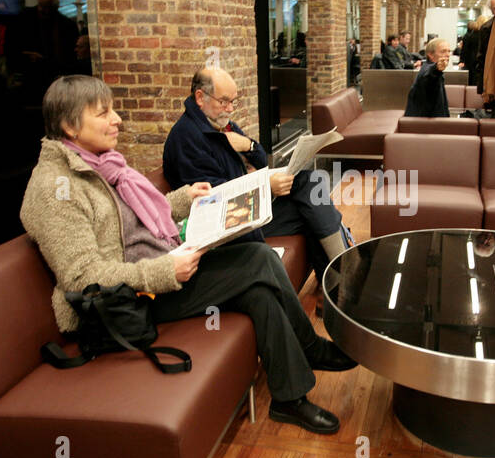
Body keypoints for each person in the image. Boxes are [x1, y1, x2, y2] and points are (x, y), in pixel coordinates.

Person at [20, 74, 352, 435]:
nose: (117, 119)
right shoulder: (55, 190)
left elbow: (131, 222)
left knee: (258, 287)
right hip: (123, 304)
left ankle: (289, 400)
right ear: (69, 125)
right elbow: (82, 277)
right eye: (104, 113)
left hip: (150, 272)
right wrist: (164, 270)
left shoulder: (101, 165)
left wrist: (183, 198)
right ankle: (311, 348)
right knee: (258, 259)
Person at [163, 67, 349, 287]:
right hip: (227, 224)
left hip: (248, 205)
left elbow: (262, 160)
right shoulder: (187, 138)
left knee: (312, 184)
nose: (230, 109)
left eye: (233, 101)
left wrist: (248, 145)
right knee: (309, 201)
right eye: (224, 102)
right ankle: (342, 277)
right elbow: (213, 199)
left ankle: (337, 279)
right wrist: (266, 186)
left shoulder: (222, 125)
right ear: (200, 97)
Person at [9, 0, 80, 104]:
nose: (43, 10)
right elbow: (12, 45)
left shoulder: (66, 24)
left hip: (55, 71)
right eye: (41, 7)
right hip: (31, 73)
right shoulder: (24, 19)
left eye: (47, 8)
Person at [403, 38, 453, 118]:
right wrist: (436, 69)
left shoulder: (428, 67)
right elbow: (430, 77)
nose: (447, 54)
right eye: (443, 51)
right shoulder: (428, 70)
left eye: (449, 51)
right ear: (430, 54)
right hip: (424, 124)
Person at [465, 15, 491, 92]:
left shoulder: (472, 34)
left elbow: (466, 49)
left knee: (473, 80)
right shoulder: (487, 35)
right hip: (483, 60)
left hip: (472, 60)